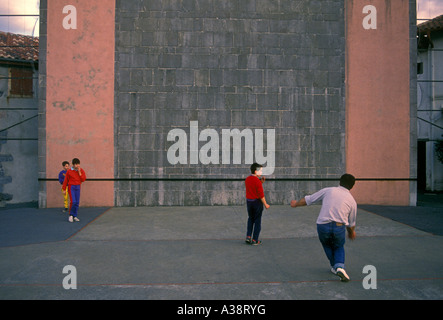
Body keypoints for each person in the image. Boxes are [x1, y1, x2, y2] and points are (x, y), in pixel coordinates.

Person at [290, 174, 357, 282]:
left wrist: (296, 204)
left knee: (327, 245)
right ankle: (339, 267)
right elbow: (351, 223)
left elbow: (309, 200)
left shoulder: (328, 190)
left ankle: (334, 266)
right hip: (339, 226)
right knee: (338, 246)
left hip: (323, 225)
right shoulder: (352, 201)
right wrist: (351, 233)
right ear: (352, 186)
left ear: (340, 182)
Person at [245, 163, 270, 245]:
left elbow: (252, 188)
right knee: (257, 221)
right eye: (260, 171)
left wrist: (260, 182)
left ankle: (248, 236)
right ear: (256, 171)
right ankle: (255, 239)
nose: (261, 173)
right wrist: (265, 204)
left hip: (249, 202)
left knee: (250, 219)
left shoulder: (247, 179)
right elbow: (261, 195)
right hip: (256, 203)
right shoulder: (257, 182)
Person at [62, 158, 86, 222]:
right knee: (73, 201)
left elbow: (83, 179)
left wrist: (79, 172)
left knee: (77, 202)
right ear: (73, 164)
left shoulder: (81, 170)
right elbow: (65, 180)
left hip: (78, 186)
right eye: (76, 164)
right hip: (71, 187)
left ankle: (75, 215)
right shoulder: (69, 171)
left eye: (78, 164)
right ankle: (70, 215)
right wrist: (64, 189)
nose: (77, 165)